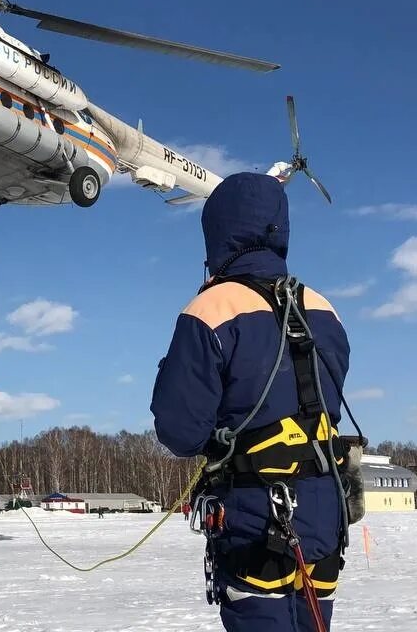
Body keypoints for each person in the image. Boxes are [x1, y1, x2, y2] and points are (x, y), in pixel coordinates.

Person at [151, 171, 357, 632]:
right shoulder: (323, 308)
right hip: (325, 511)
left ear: (218, 232)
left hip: (256, 512)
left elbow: (180, 431)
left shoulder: (211, 308)